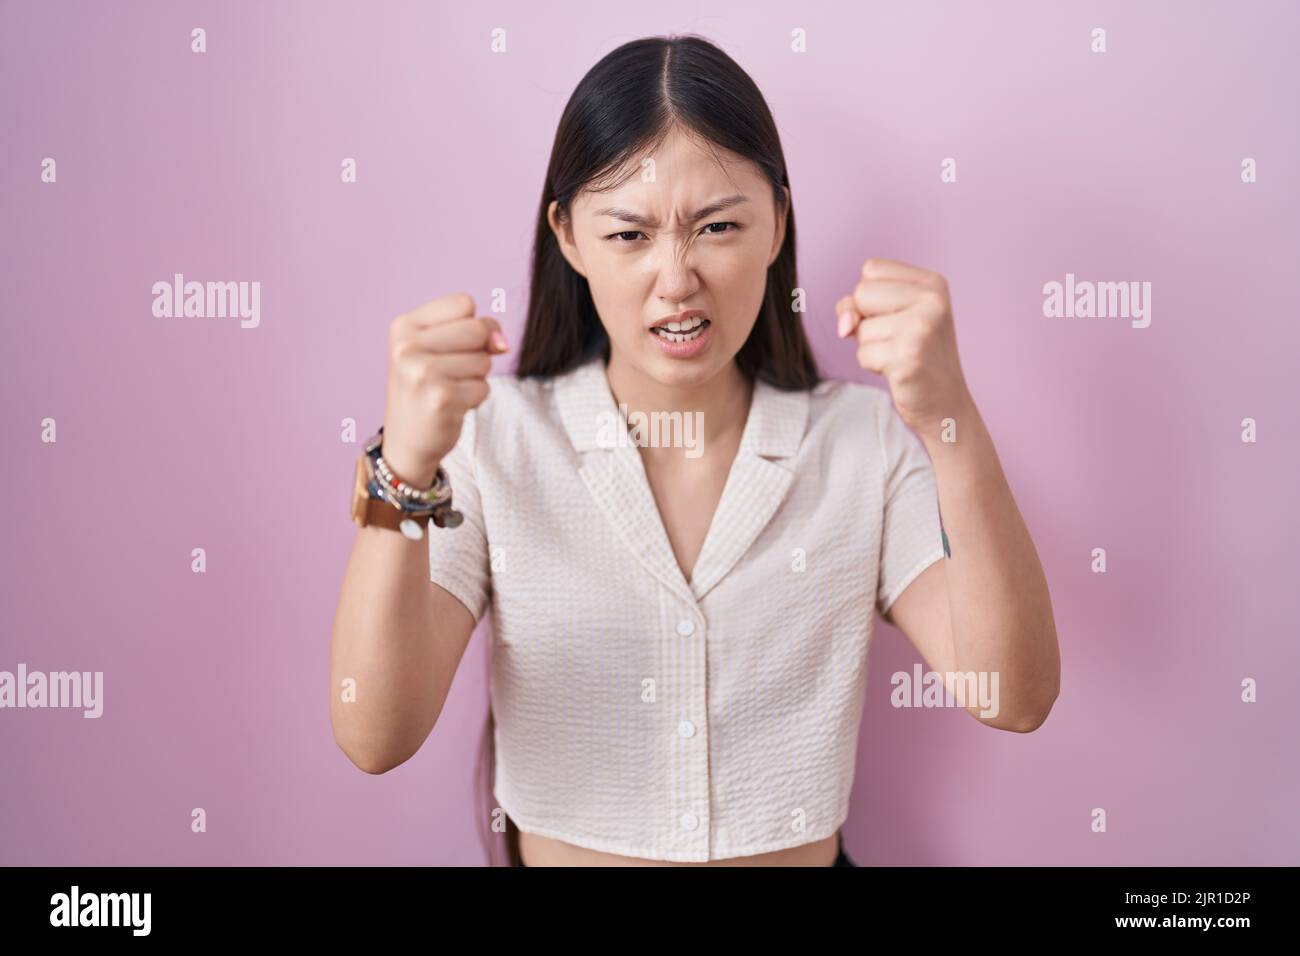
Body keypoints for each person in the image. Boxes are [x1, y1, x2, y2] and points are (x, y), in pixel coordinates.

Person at [330, 34, 1060, 867]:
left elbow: (1013, 694)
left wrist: (948, 418)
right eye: (629, 235)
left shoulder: (859, 445)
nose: (676, 279)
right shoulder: (498, 439)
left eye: (716, 226)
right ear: (568, 236)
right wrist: (406, 470)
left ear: (778, 221)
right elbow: (373, 733)